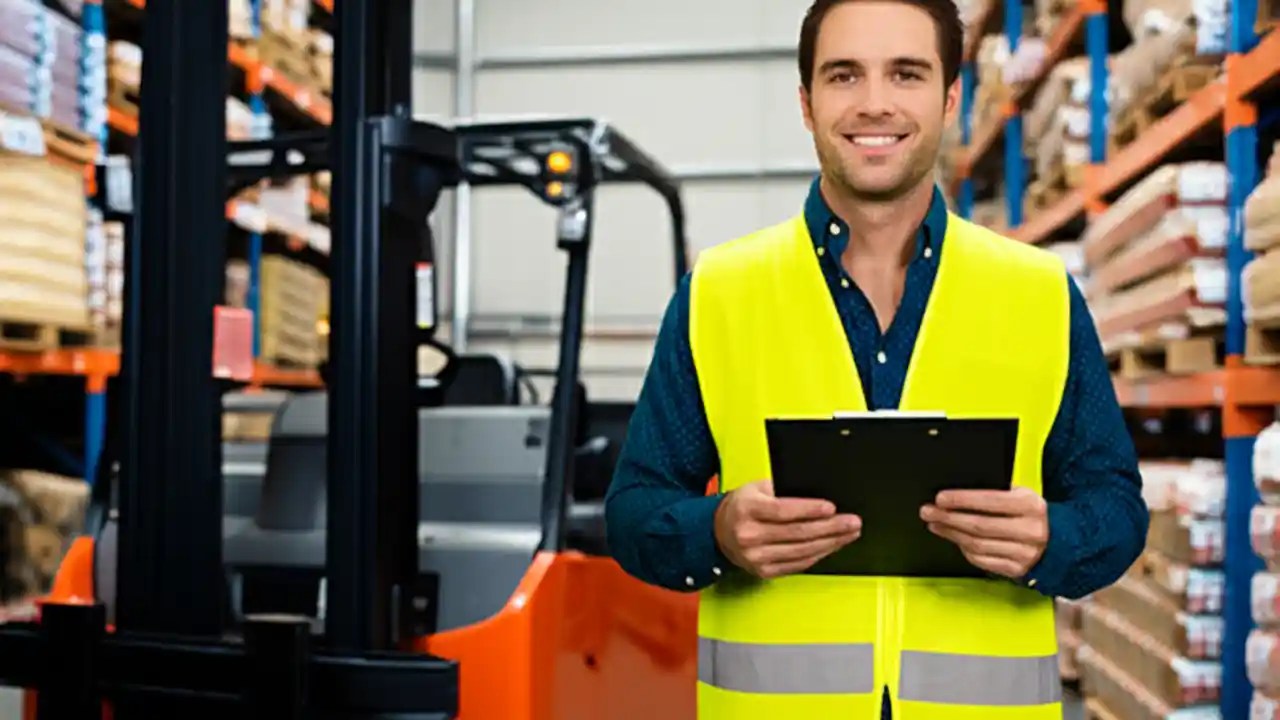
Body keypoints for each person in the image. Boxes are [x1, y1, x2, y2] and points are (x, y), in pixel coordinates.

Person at [603, 0, 1149, 718]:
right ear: (805, 103)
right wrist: (718, 531)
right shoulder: (720, 292)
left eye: (906, 73)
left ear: (950, 97)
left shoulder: (1040, 294)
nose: (874, 104)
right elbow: (634, 511)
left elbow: (1116, 509)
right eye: (843, 76)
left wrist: (1055, 538)